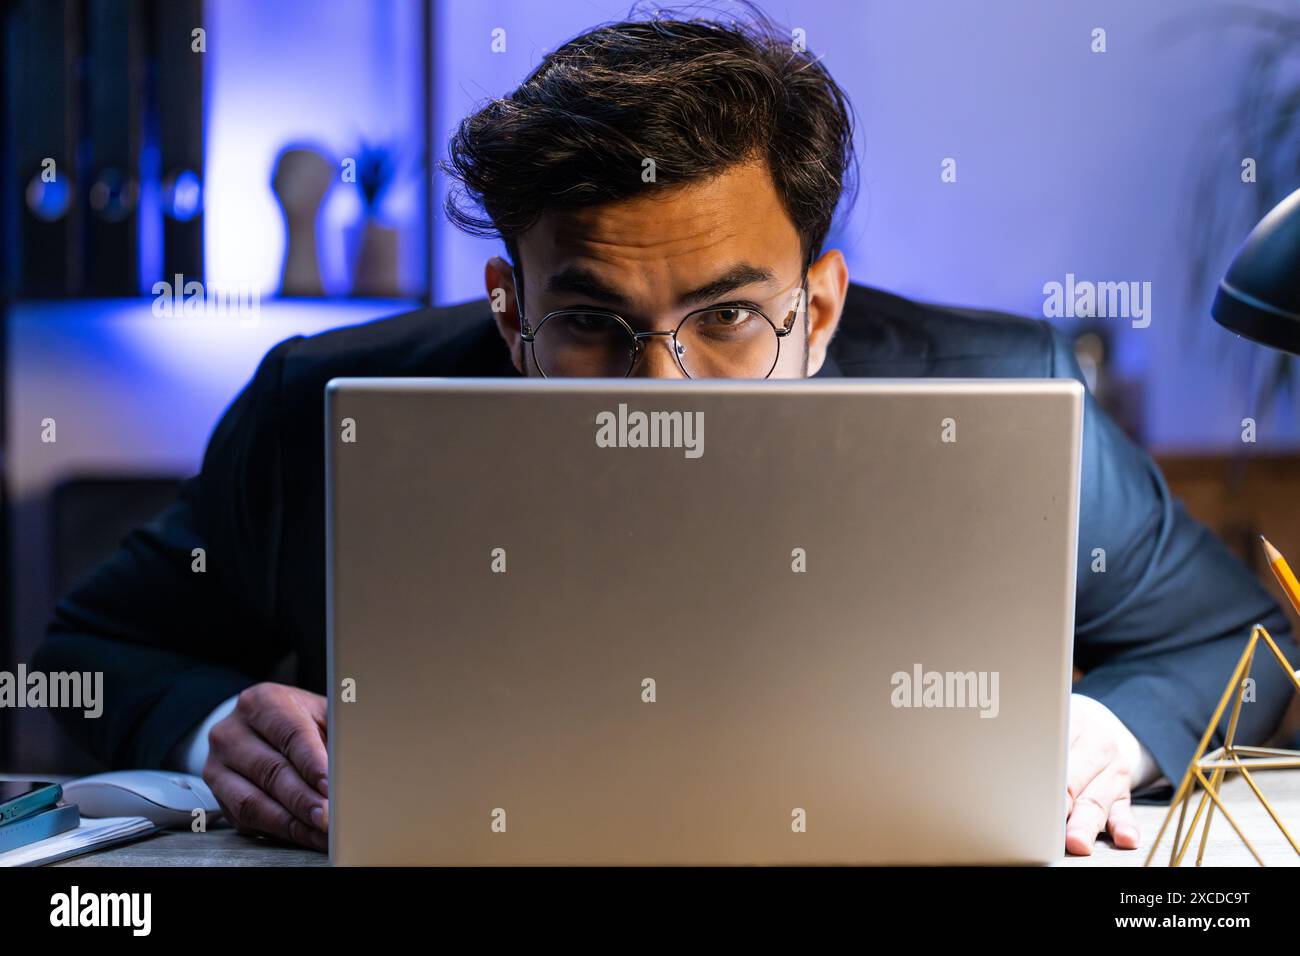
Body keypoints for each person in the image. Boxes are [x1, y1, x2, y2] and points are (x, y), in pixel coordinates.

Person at [34, 11, 1296, 856]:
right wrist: (215, 728)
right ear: (509, 309)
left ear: (821, 303)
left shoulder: (1012, 394)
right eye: (589, 317)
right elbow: (86, 649)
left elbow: (1250, 635)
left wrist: (1105, 727)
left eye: (730, 314)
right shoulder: (316, 405)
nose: (661, 386)